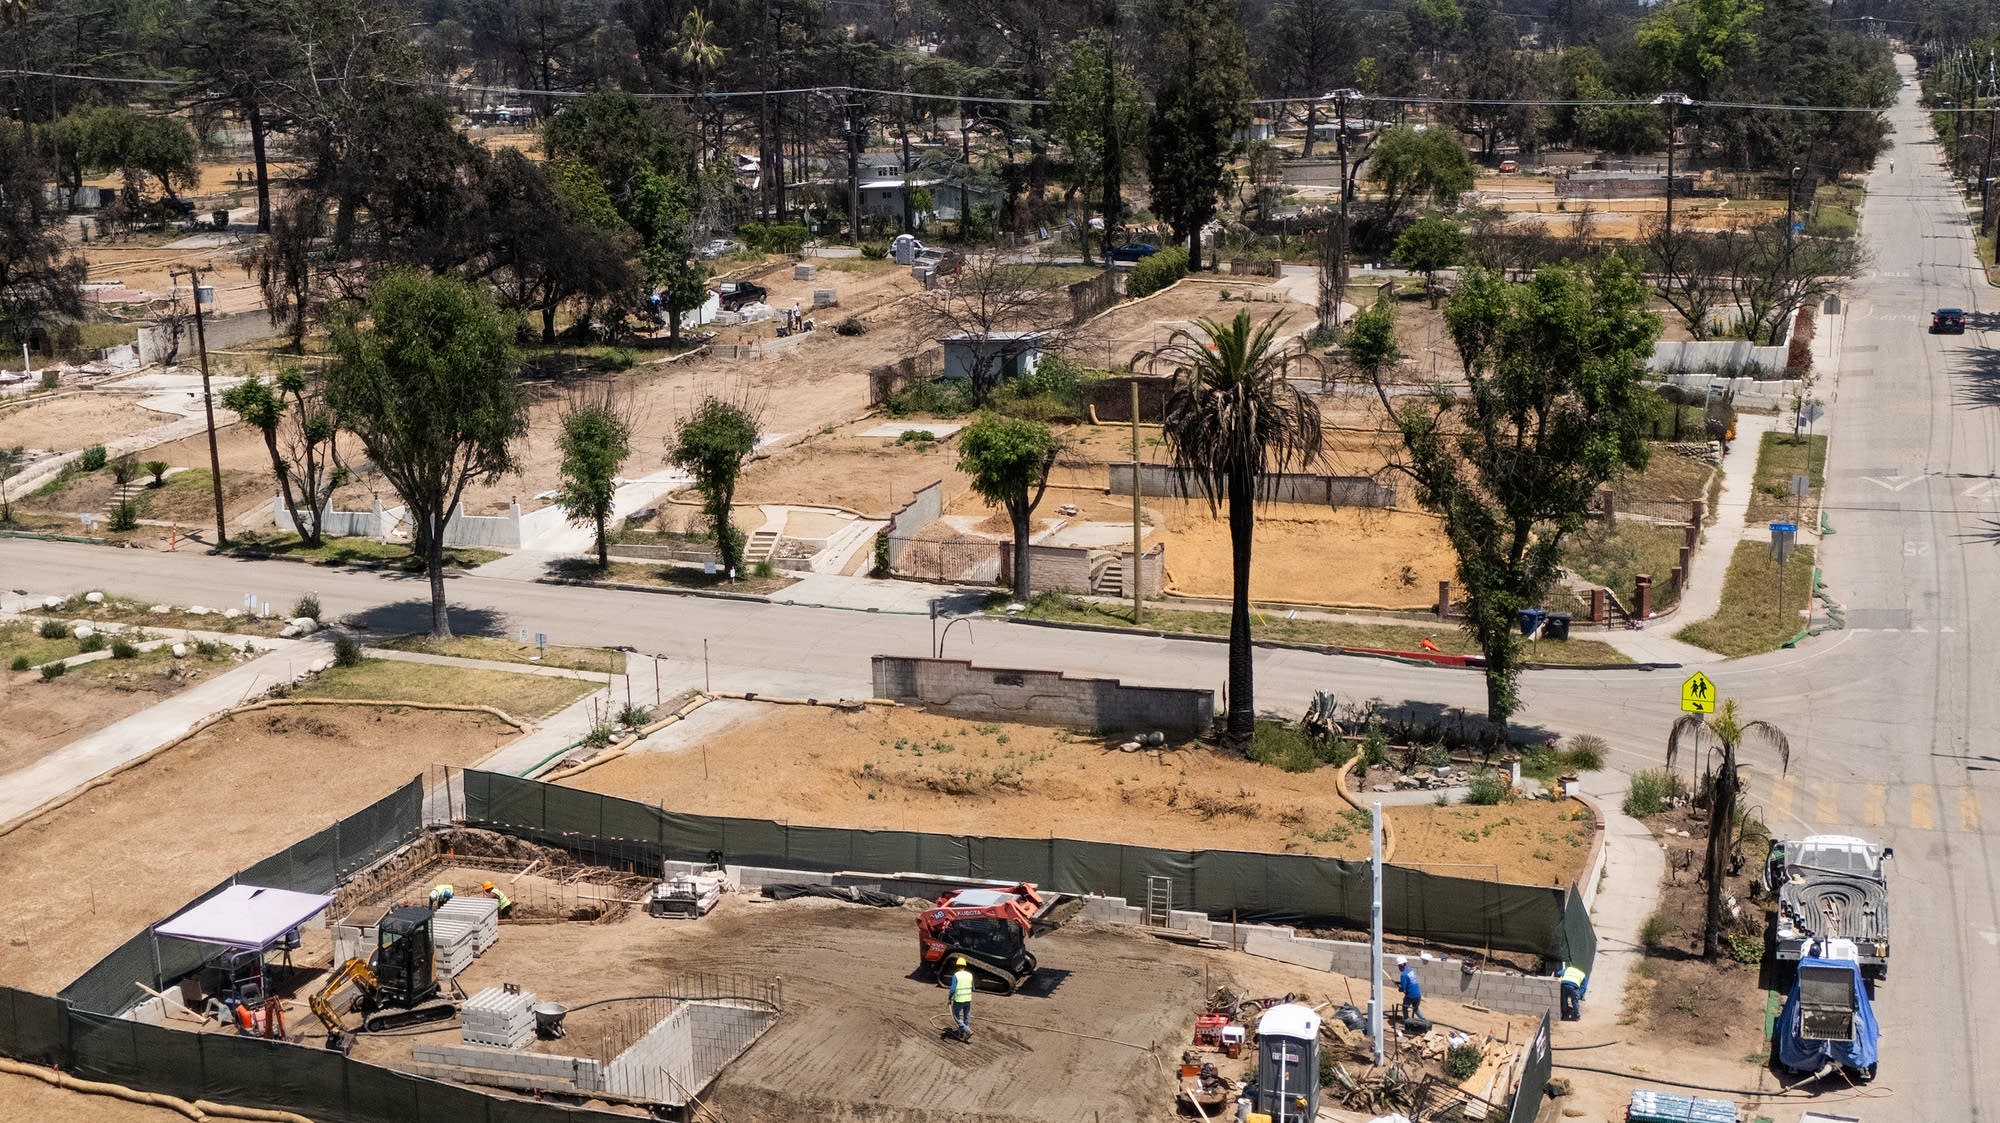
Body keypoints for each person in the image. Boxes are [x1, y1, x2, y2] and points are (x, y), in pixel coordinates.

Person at [948, 956, 975, 1041]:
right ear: (964, 966)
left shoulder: (956, 975)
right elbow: (973, 988)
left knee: (955, 1015)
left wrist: (949, 998)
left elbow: (952, 990)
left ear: (957, 966)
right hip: (968, 999)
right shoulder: (970, 975)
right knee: (966, 1016)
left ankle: (967, 1030)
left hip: (959, 999)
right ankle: (963, 1034)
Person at [1396, 956, 1422, 1021]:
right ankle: (1423, 1019)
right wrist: (1400, 983)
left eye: (1399, 966)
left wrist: (1400, 989)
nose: (1398, 967)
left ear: (1402, 965)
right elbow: (1410, 981)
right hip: (1418, 994)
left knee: (1405, 1007)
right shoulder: (1411, 970)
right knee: (1416, 1008)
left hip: (1410, 995)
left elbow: (1403, 988)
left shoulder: (1403, 975)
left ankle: (1407, 1020)